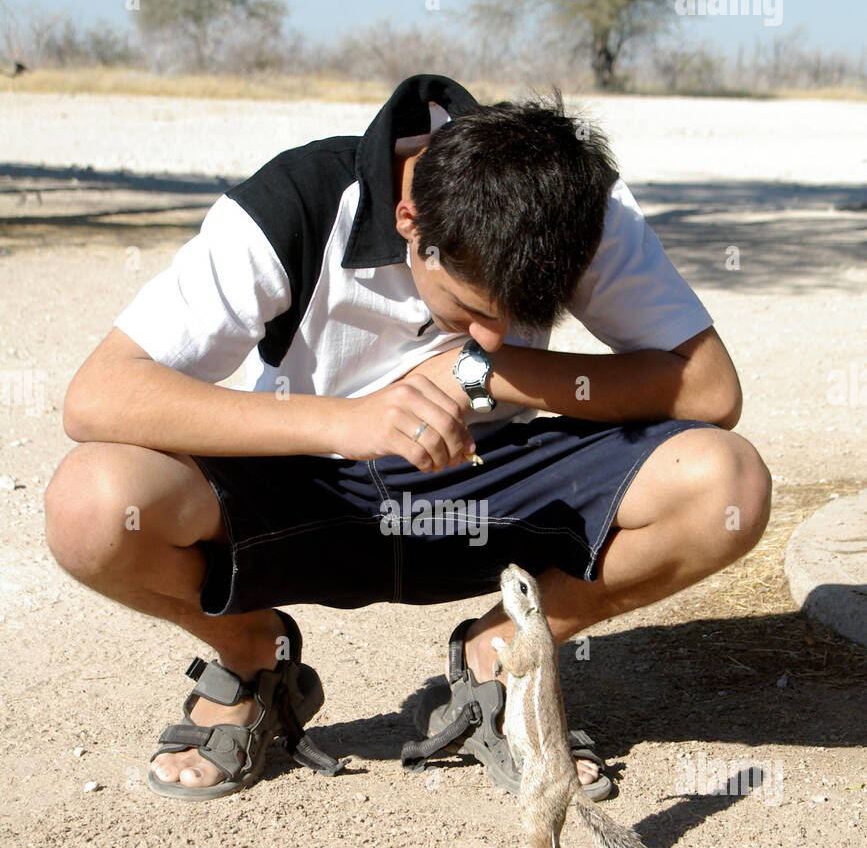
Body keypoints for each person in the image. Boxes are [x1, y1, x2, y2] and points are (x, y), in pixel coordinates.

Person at [44, 73, 771, 802]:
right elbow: (98, 394)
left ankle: (501, 655)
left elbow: (709, 390)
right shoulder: (296, 199)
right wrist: (344, 420)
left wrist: (485, 370)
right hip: (307, 487)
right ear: (408, 219)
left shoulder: (574, 207)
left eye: (517, 314)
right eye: (469, 308)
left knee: (723, 484)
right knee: (92, 504)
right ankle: (252, 656)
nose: (490, 331)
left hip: (493, 484)